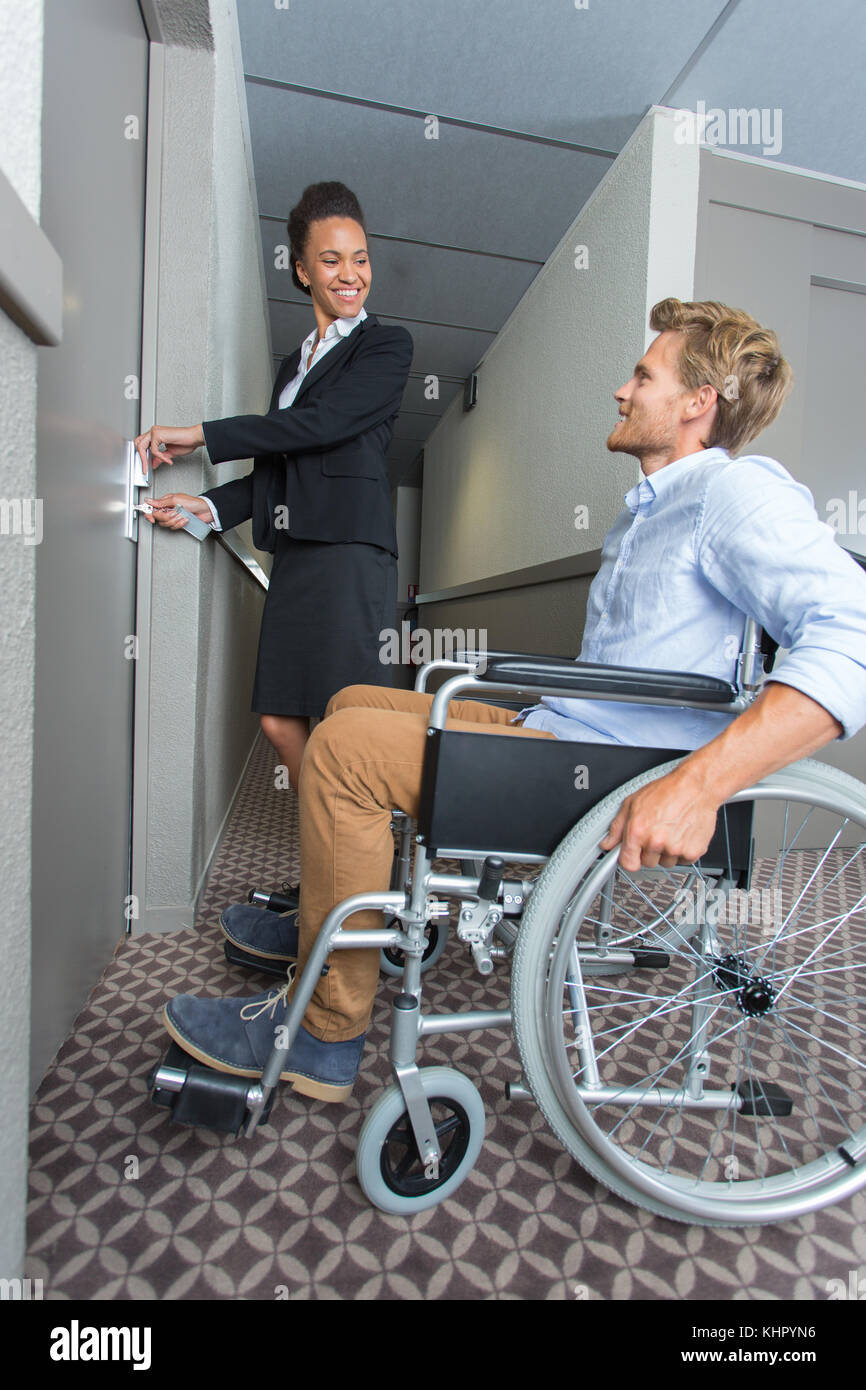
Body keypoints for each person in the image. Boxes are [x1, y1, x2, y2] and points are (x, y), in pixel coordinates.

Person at [162, 297, 866, 1103]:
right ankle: (338, 917)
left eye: (643, 375)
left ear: (697, 404)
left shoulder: (734, 496)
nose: (621, 390)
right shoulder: (659, 505)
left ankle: (324, 1030)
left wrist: (699, 786)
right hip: (566, 729)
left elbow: (854, 635)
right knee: (354, 701)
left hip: (607, 770)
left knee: (344, 754)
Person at [134, 182, 413, 793]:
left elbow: (321, 425)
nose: (351, 274)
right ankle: (336, 839)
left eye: (360, 258)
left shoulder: (386, 347)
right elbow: (280, 462)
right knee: (280, 718)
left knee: (351, 719)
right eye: (332, 259)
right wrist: (207, 506)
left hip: (349, 552)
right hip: (294, 555)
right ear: (302, 270)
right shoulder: (294, 363)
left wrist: (203, 435)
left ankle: (364, 858)